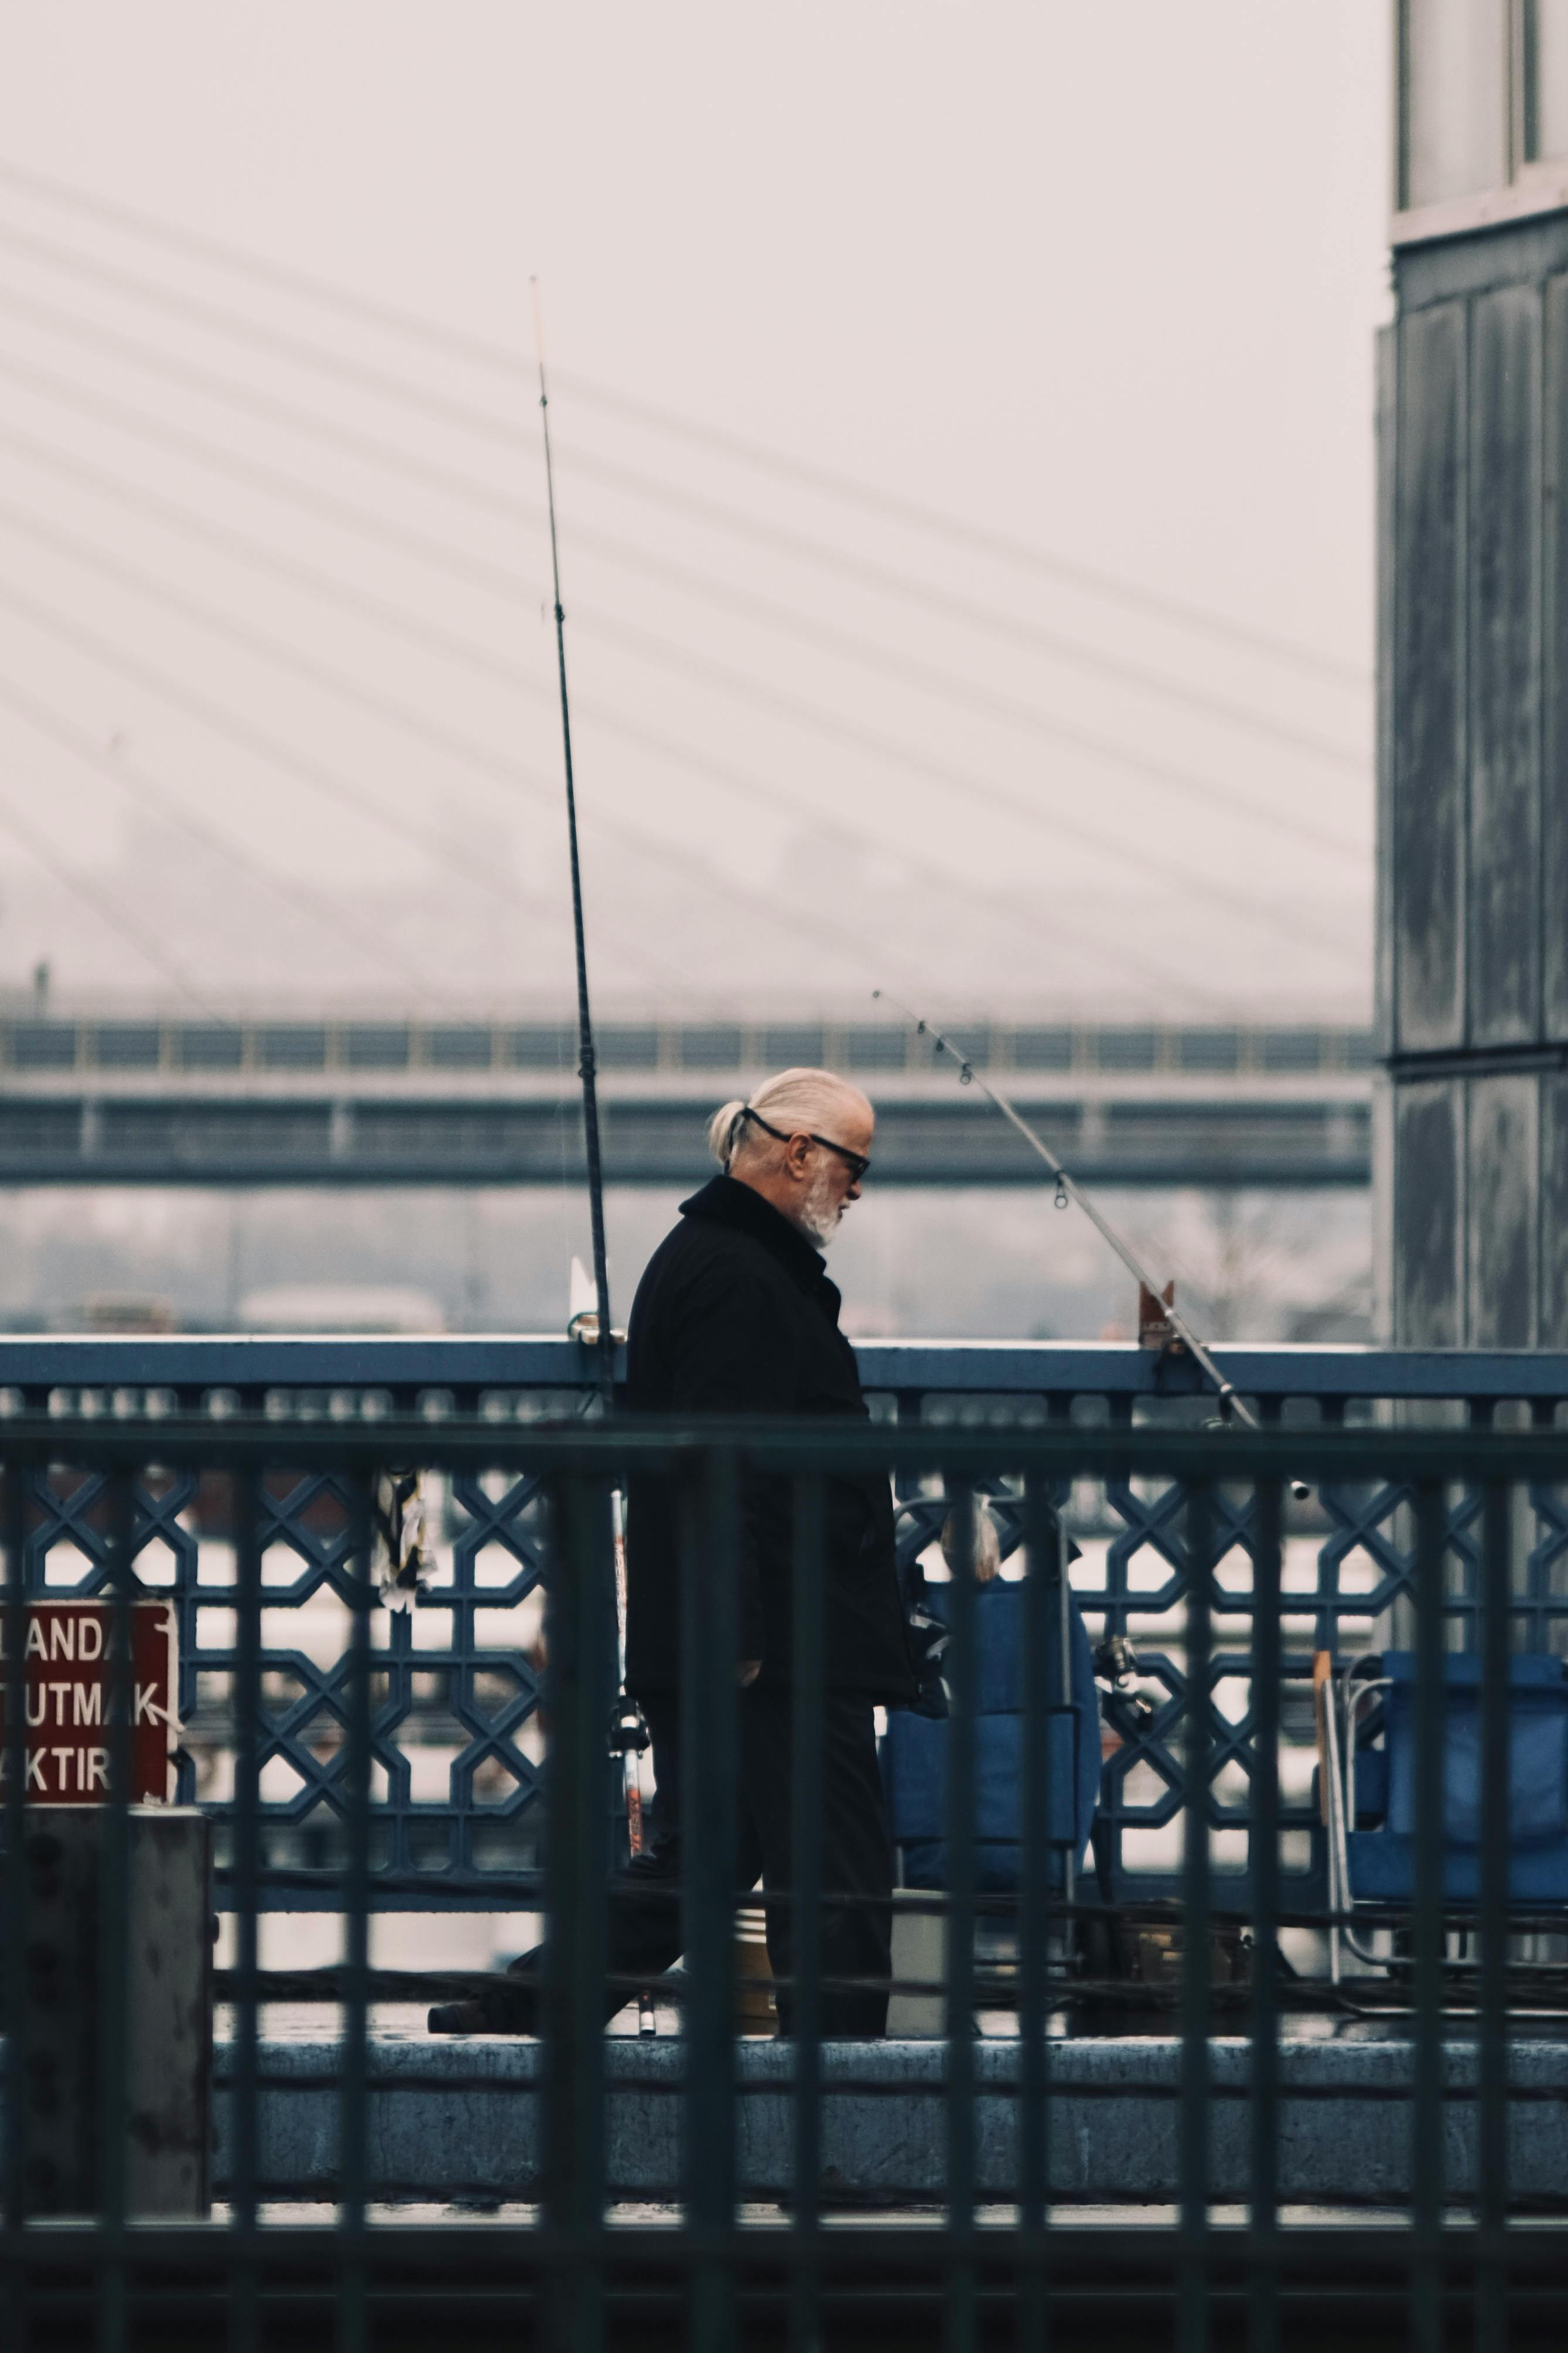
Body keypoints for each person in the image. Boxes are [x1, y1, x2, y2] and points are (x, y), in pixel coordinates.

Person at [430, 1065, 915, 2038]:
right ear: (798, 1153)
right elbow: (721, 1469)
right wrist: (737, 1639)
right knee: (836, 1865)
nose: (858, 1188)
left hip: (745, 1631)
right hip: (778, 1641)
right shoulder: (739, 1275)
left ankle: (525, 2008)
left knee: (709, 1855)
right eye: (853, 1165)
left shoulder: (720, 1260)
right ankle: (852, 2088)